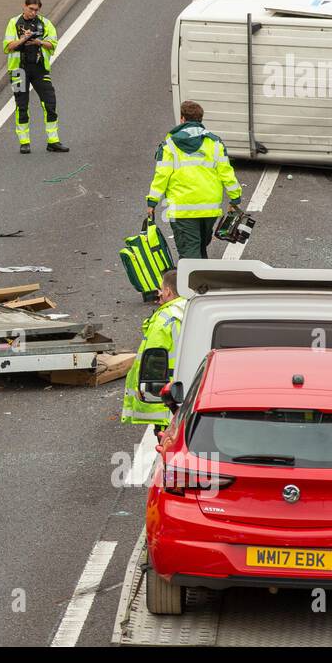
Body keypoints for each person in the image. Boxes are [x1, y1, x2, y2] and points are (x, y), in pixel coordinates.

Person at [146, 100, 242, 259]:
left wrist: (152, 202)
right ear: (200, 119)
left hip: (183, 210)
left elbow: (161, 176)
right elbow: (226, 172)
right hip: (209, 209)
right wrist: (235, 198)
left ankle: (193, 282)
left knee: (190, 254)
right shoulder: (214, 143)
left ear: (182, 119)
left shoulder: (170, 145)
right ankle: (202, 281)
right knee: (199, 248)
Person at [121, 270, 187, 426]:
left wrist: (147, 390)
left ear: (168, 291)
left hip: (167, 395)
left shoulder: (164, 319)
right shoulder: (195, 309)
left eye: (161, 289)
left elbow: (153, 358)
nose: (159, 293)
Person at [3, 0, 68, 154]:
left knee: (50, 103)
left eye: (36, 10)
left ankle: (53, 140)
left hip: (39, 69)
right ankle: (24, 142)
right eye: (31, 9)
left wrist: (39, 42)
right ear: (24, 6)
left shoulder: (45, 24)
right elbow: (7, 46)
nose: (33, 12)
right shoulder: (13, 23)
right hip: (19, 70)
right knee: (22, 106)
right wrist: (23, 39)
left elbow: (52, 44)